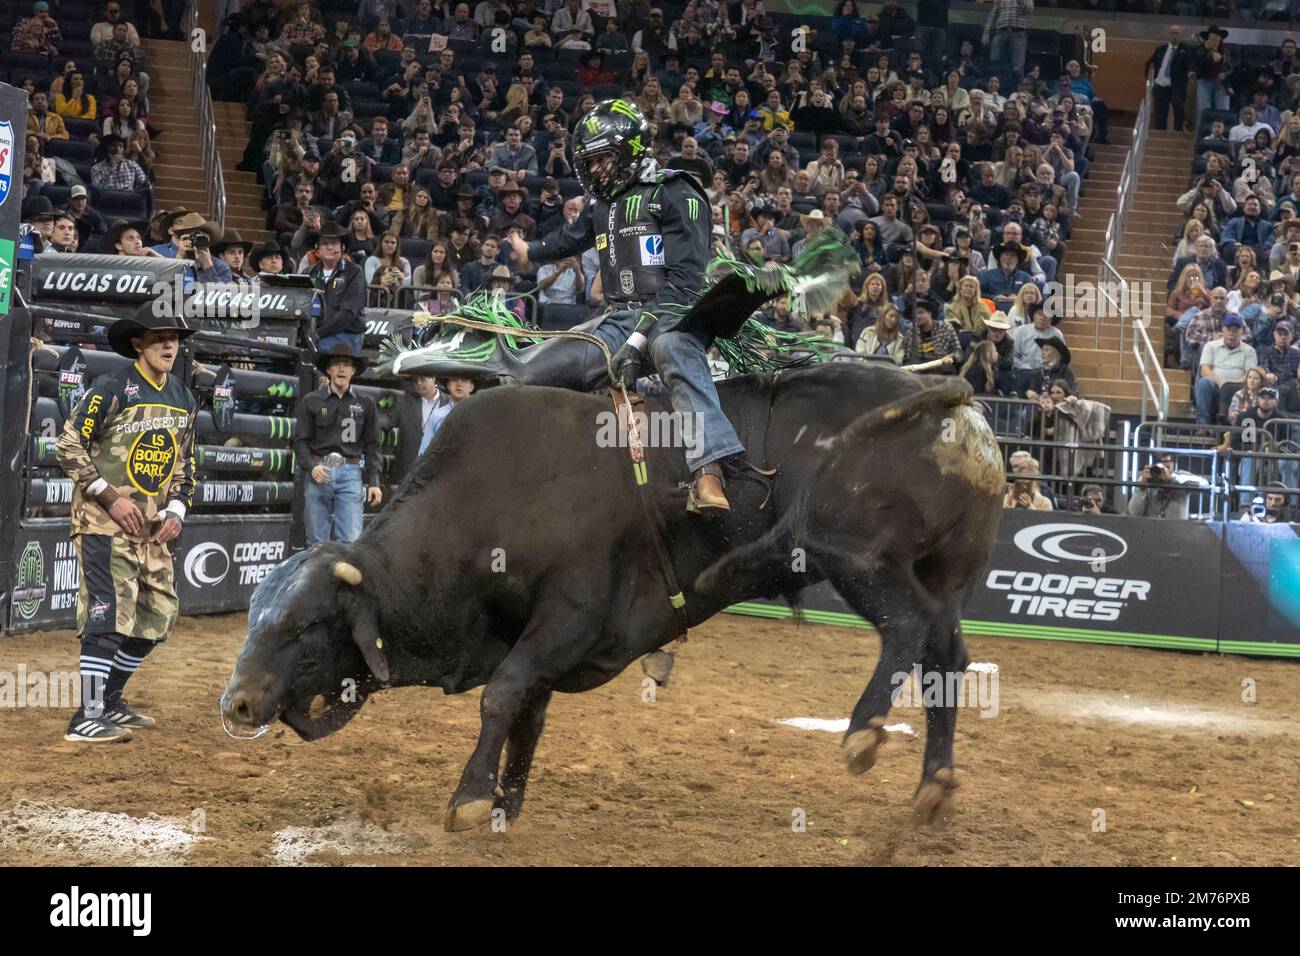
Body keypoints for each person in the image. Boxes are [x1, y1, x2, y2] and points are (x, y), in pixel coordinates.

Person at [505, 99, 742, 512]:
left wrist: (639, 339)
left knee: (671, 350)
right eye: (588, 163)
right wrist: (531, 250)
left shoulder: (677, 191)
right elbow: (569, 238)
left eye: (601, 160)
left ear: (631, 150)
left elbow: (685, 285)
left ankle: (710, 470)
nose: (594, 171)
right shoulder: (601, 205)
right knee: (537, 365)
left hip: (675, 316)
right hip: (616, 319)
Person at [54, 310, 198, 742]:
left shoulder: (183, 397)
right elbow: (68, 444)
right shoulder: (111, 388)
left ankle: (110, 700)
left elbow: (185, 464)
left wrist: (176, 510)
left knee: (158, 614)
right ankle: (86, 716)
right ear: (139, 344)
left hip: (150, 525)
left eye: (173, 339)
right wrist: (108, 495)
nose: (168, 346)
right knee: (108, 612)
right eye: (159, 339)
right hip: (102, 520)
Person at [294, 347, 383, 545]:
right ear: (328, 370)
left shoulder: (366, 403)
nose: (341, 370)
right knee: (316, 543)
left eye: (346, 365)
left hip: (351, 472)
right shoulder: (311, 401)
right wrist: (311, 466)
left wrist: (374, 482)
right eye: (337, 364)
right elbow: (300, 442)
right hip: (319, 470)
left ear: (354, 371)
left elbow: (372, 446)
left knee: (351, 541)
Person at [308, 221, 367, 355]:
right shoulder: (308, 273)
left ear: (342, 247)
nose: (329, 247)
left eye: (334, 243)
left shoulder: (354, 272)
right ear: (317, 249)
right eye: (324, 243)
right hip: (314, 334)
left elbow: (347, 316)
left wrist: (316, 334)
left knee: (317, 351)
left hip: (345, 334)